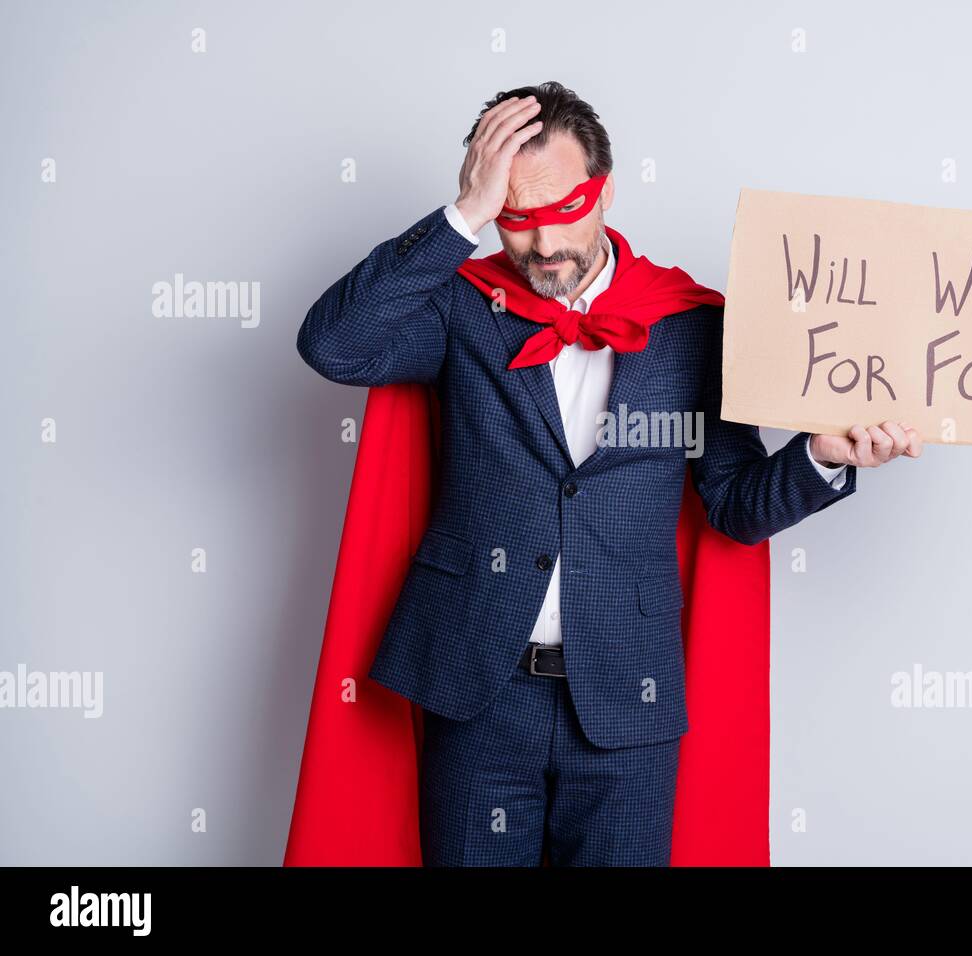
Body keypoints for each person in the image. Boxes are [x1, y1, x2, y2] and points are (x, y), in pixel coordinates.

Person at [295, 81, 921, 866]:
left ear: (606, 189)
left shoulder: (693, 325)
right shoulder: (461, 310)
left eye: (566, 207)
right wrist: (461, 218)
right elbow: (334, 346)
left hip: (629, 700)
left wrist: (822, 458)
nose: (545, 242)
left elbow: (733, 506)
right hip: (477, 688)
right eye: (516, 218)